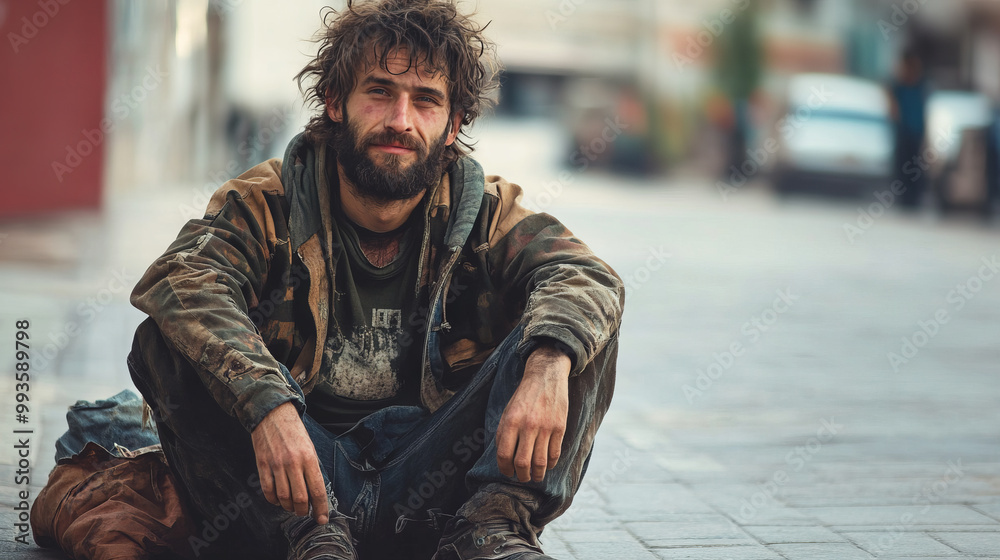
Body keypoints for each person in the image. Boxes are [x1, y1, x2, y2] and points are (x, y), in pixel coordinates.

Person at [126, 1, 624, 559]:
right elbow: (183, 277)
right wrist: (264, 402)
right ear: (335, 102)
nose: (400, 121)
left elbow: (584, 276)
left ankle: (489, 532)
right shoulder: (266, 202)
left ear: (454, 123)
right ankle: (313, 542)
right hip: (298, 488)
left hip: (431, 483)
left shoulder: (484, 211)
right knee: (166, 343)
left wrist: (549, 364)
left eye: (426, 101)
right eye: (380, 92)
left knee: (574, 328)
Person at [889, 47, 930, 210]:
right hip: (903, 132)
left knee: (916, 168)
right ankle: (903, 199)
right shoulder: (897, 85)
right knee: (902, 167)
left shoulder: (922, 85)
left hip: (917, 133)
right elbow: (892, 108)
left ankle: (914, 199)